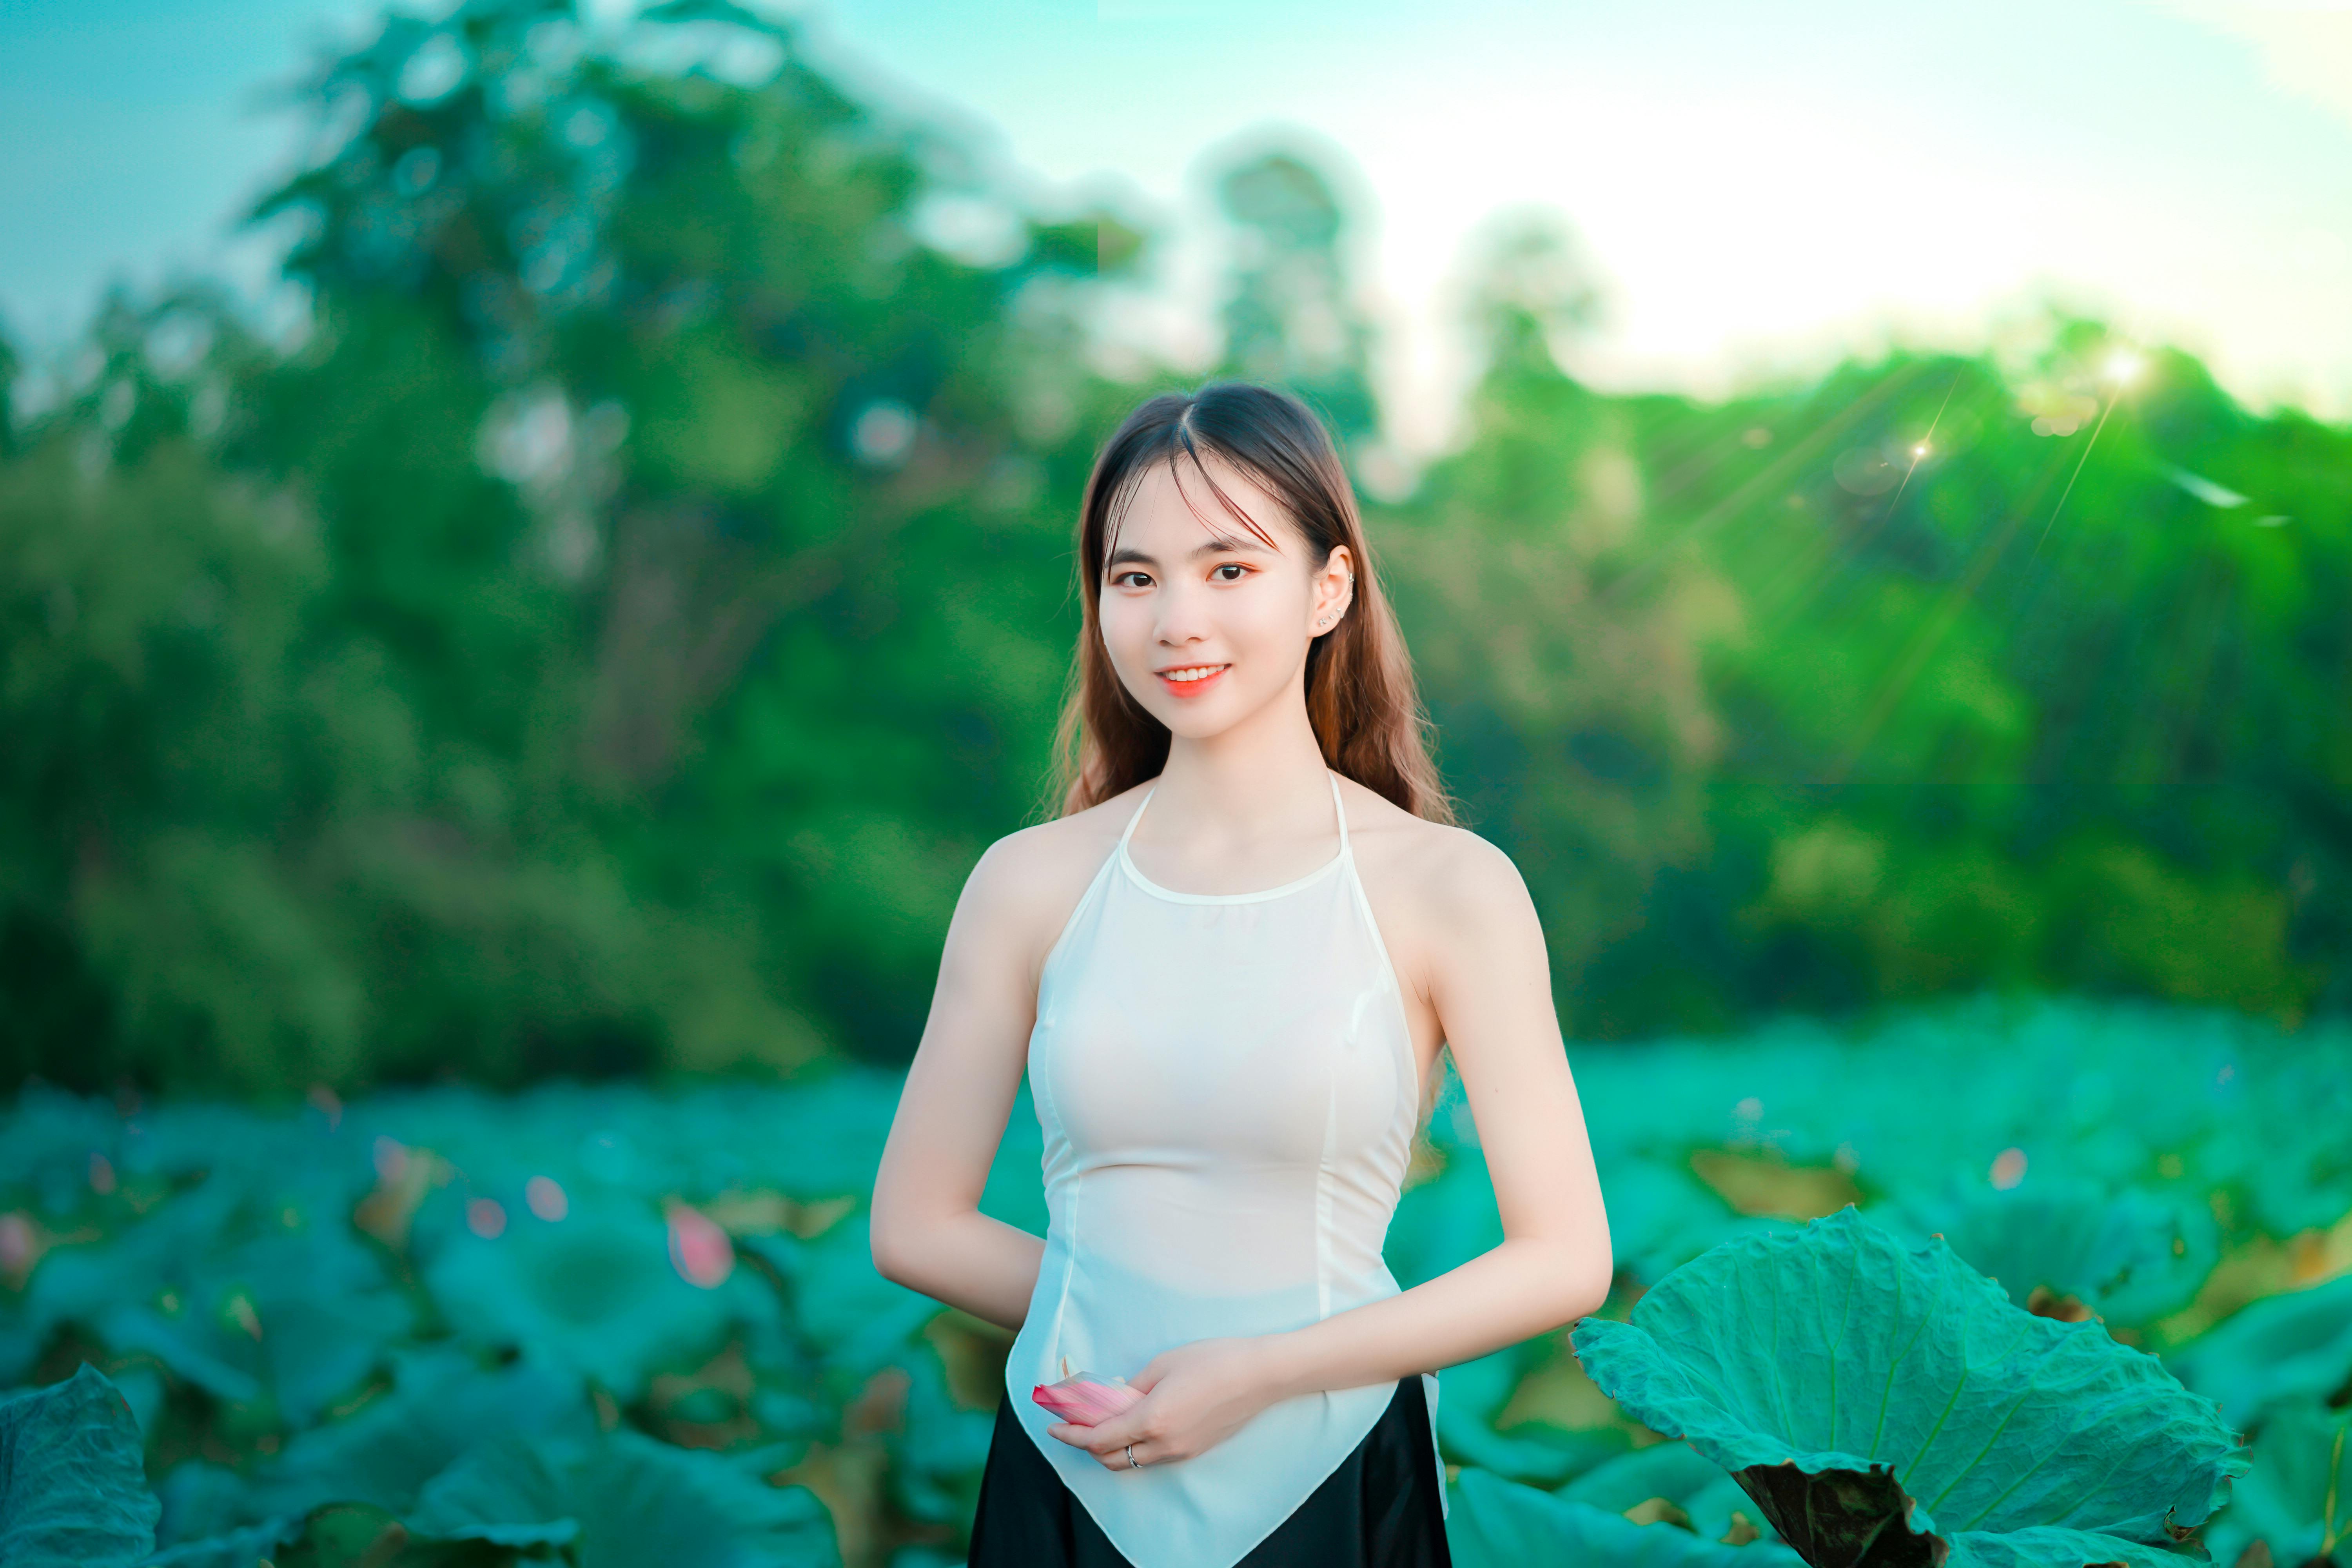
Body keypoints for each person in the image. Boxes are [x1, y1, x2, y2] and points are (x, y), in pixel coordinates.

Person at [870, 382, 1612, 1568]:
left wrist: (1259, 1369)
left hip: (1328, 1464)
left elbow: (1566, 1257)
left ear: (1329, 588)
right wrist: (1122, 1339)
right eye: (1135, 576)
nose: (1176, 620)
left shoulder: (1448, 888)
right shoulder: (1028, 883)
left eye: (1228, 570)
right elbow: (914, 1225)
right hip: (1076, 1460)